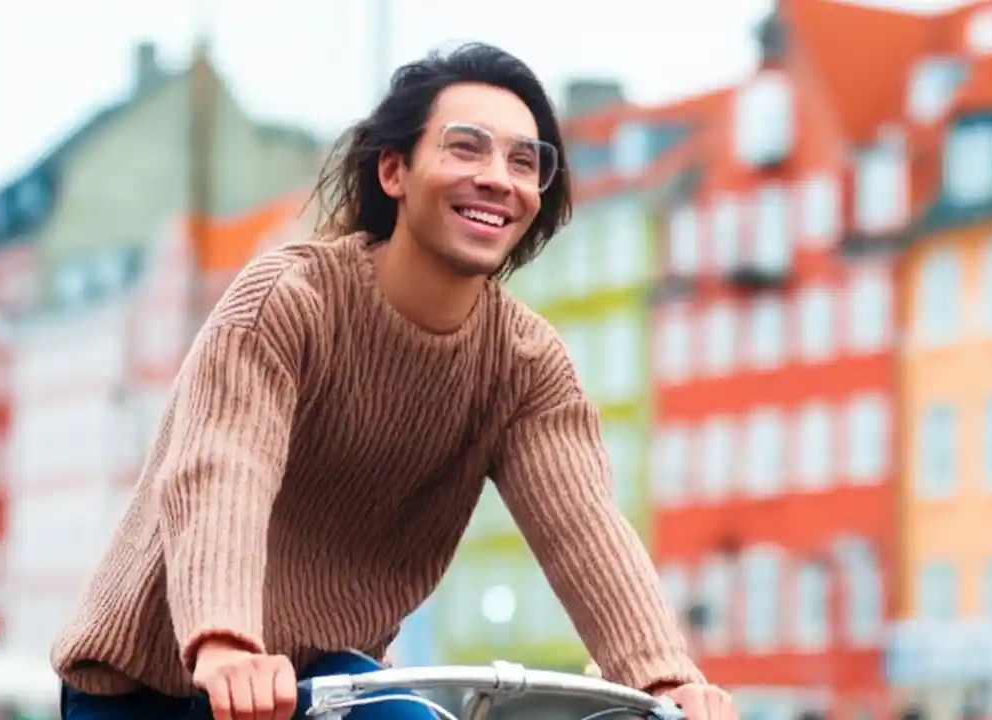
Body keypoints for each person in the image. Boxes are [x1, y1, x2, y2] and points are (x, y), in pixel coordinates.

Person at [50, 41, 739, 720]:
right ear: (393, 172)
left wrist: (665, 677)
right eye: (466, 148)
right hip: (154, 677)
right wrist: (226, 640)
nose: (498, 176)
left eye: (523, 161)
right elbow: (222, 469)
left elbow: (585, 530)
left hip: (323, 675)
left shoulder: (524, 365)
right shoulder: (291, 299)